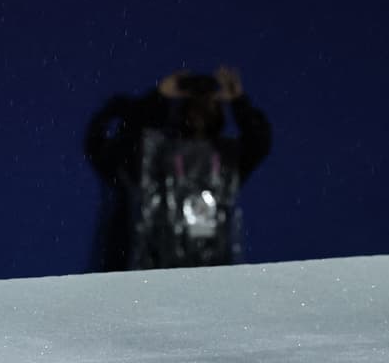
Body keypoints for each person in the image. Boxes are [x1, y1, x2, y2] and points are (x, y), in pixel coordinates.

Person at [84, 66, 272, 270]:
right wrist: (158, 99)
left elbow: (259, 142)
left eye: (208, 99)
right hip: (155, 275)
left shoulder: (227, 157)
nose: (201, 104)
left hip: (213, 276)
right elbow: (107, 149)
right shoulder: (156, 154)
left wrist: (239, 102)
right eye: (194, 99)